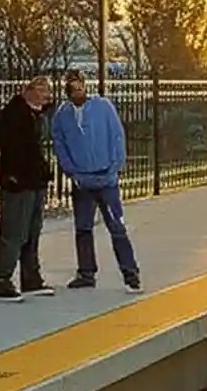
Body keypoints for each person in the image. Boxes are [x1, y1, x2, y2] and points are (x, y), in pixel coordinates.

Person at [51, 71, 143, 294]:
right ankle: (86, 273)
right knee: (83, 228)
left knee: (117, 226)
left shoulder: (103, 107)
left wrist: (114, 168)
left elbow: (117, 136)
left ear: (85, 86)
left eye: (79, 86)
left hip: (106, 178)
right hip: (82, 181)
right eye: (71, 88)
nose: (76, 91)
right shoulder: (62, 115)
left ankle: (130, 273)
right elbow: (59, 145)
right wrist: (72, 172)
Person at [0, 76, 56, 302]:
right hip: (19, 182)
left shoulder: (36, 114)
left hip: (35, 181)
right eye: (42, 90)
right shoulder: (14, 114)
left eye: (48, 91)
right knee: (14, 232)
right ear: (28, 91)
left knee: (32, 232)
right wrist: (16, 175)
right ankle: (4, 280)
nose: (47, 95)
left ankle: (31, 278)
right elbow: (13, 148)